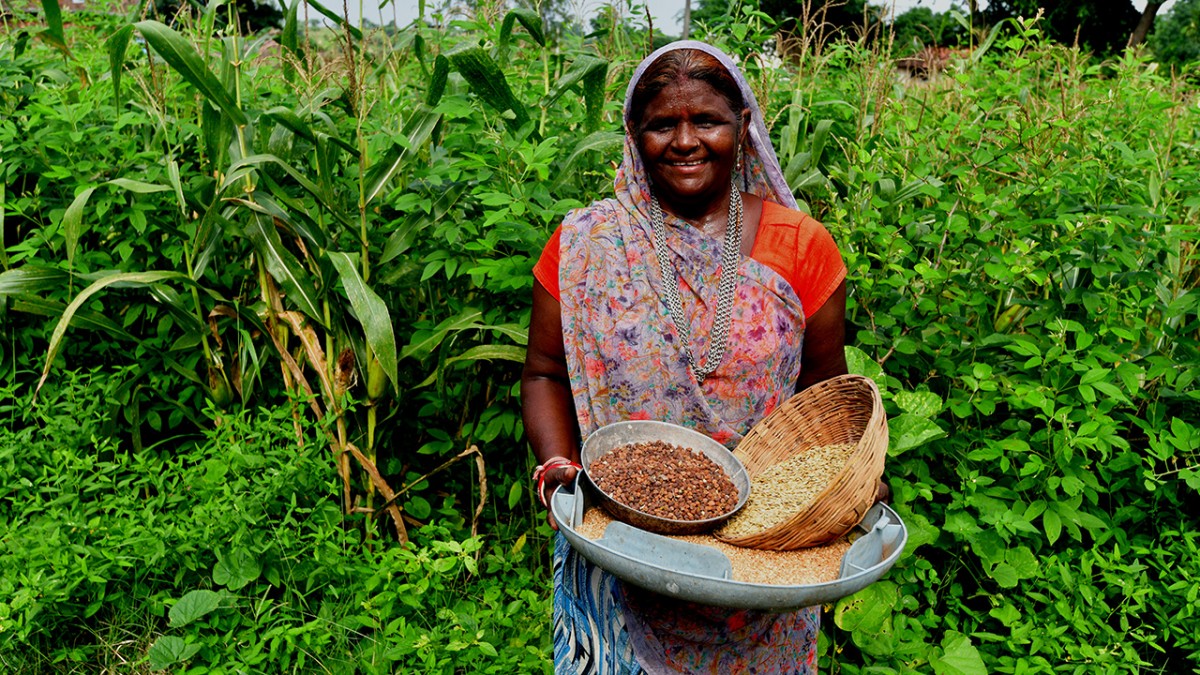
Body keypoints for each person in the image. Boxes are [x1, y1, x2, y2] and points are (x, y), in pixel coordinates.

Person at [521, 40, 849, 674]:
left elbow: (823, 403)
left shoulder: (801, 249)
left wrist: (841, 487)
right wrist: (561, 466)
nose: (685, 141)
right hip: (619, 540)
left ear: (743, 125)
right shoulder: (587, 245)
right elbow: (544, 373)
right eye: (662, 125)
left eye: (706, 120)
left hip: (760, 555)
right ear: (633, 134)